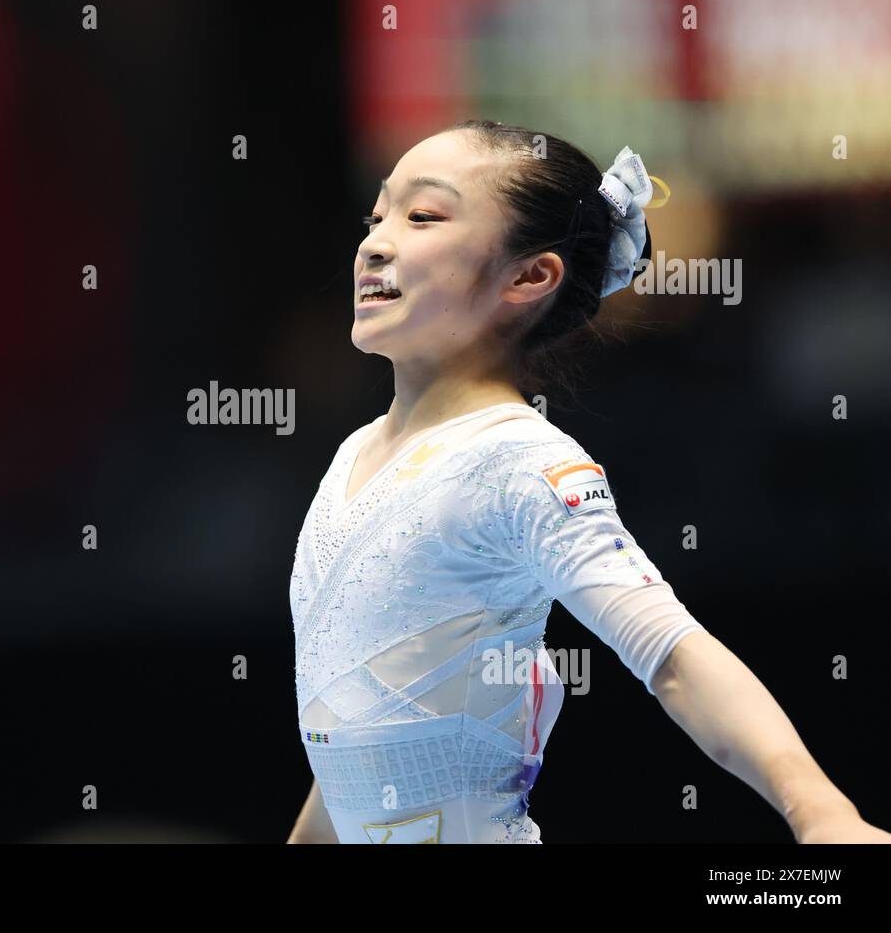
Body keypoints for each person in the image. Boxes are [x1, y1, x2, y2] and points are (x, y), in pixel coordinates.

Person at [286, 120, 890, 844]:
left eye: (423, 216)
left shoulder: (517, 462)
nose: (377, 241)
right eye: (377, 215)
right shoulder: (353, 456)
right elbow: (351, 732)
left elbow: (675, 657)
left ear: (530, 276)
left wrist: (820, 811)